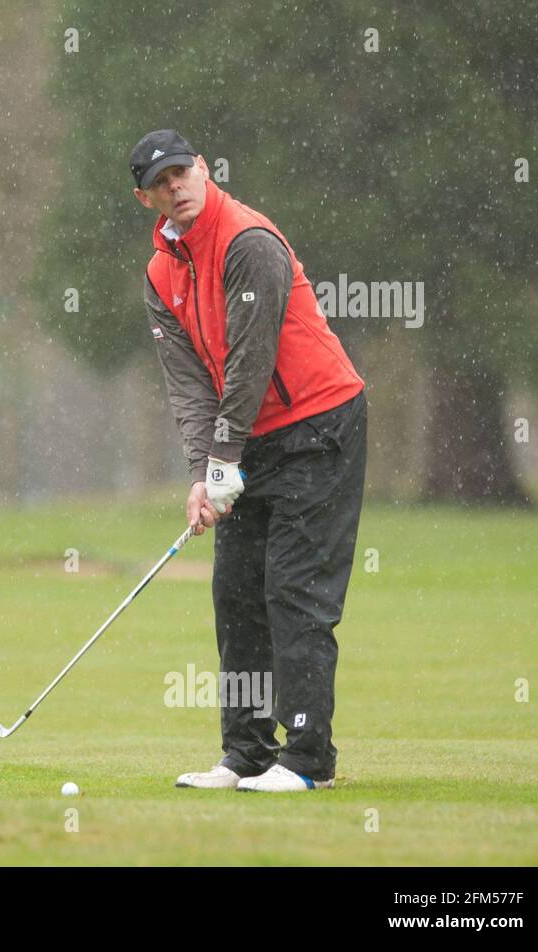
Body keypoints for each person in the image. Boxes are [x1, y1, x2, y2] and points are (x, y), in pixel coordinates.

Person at [130, 129, 368, 792]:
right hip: (250, 439)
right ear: (144, 197)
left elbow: (250, 361)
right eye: (160, 182)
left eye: (182, 172)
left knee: (293, 591)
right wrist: (204, 473)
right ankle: (247, 752)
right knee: (236, 594)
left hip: (318, 425)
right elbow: (189, 385)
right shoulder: (160, 275)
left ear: (203, 169)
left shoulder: (248, 242)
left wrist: (224, 456)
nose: (175, 186)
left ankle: (309, 756)